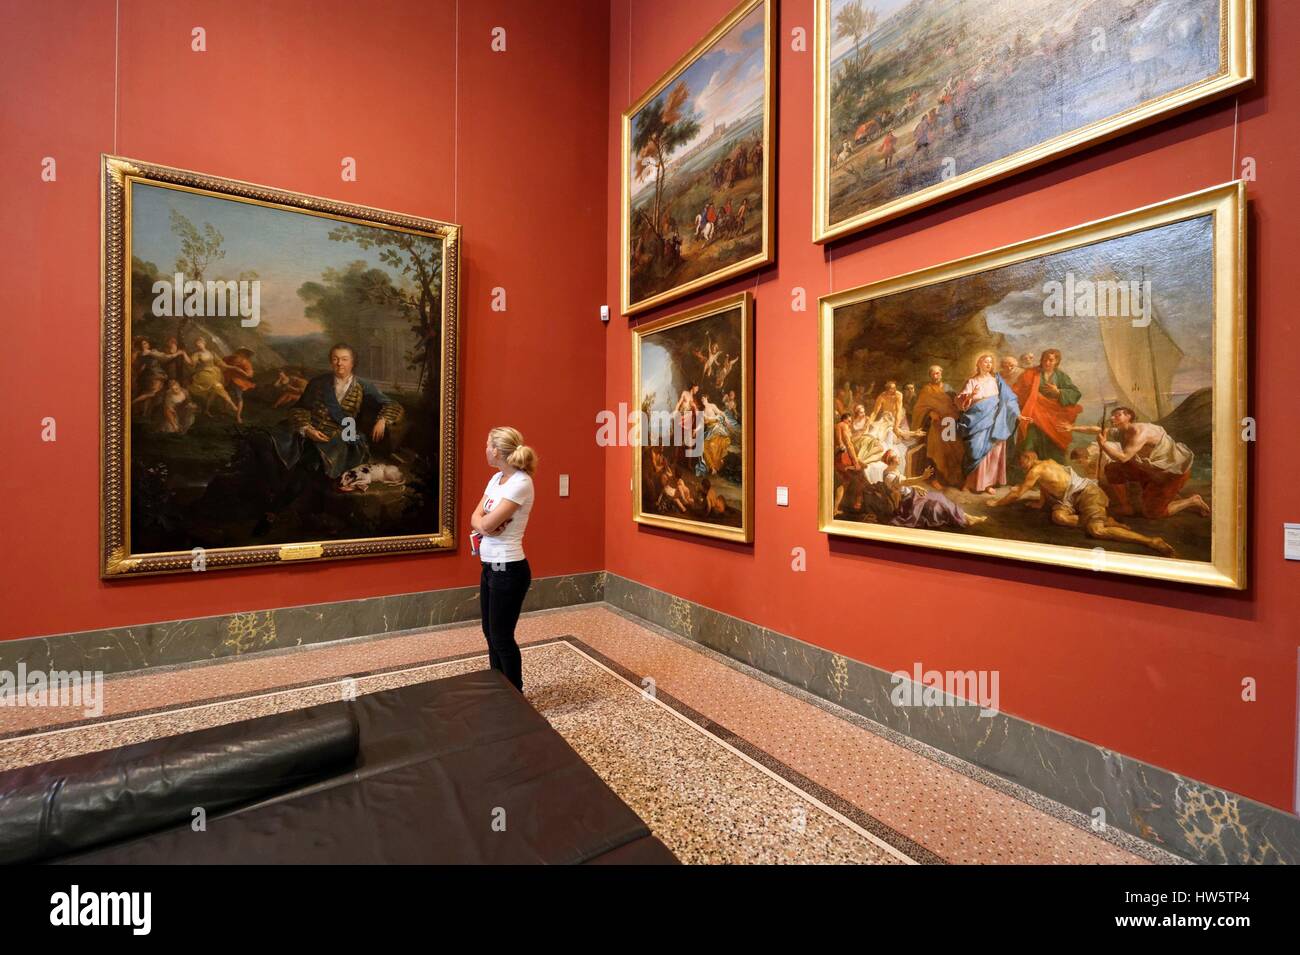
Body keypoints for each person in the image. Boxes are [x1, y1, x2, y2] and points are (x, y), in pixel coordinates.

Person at [993, 451, 1175, 556]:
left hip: (1087, 492)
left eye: (1022, 461)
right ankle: (1107, 520)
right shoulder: (1048, 462)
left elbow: (1017, 493)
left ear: (1030, 457)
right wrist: (1041, 503)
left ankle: (1151, 541)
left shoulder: (1036, 470)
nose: (1021, 465)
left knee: (1097, 530)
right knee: (1059, 517)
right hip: (1068, 499)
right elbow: (1045, 485)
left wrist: (998, 503)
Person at [470, 427, 537, 693]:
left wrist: (484, 524)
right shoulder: (496, 478)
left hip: (508, 569)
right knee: (489, 633)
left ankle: (515, 695)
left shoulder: (521, 482)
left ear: (497, 451)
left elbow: (486, 523)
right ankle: (500, 691)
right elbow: (477, 519)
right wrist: (483, 524)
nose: (485, 449)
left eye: (487, 445)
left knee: (502, 637)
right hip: (489, 566)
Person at [1061, 408, 1211, 519]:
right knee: (1111, 470)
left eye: (1118, 414)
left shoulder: (1140, 433)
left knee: (1153, 513)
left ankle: (1193, 500)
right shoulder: (1122, 431)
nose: (1113, 417)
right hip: (1150, 469)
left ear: (1129, 417)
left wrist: (1103, 444)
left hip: (1170, 473)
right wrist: (1073, 428)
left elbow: (1124, 457)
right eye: (1113, 414)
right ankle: (1125, 506)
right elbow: (1097, 430)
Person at [955, 354, 1021, 494]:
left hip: (995, 419)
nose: (988, 364)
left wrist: (1018, 414)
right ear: (979, 363)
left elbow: (1010, 399)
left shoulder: (997, 380)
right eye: (985, 362)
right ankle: (970, 483)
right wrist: (971, 396)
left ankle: (988, 484)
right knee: (974, 450)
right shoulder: (972, 381)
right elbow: (960, 402)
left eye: (991, 362)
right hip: (976, 418)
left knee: (993, 452)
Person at [1013, 348, 1083, 465]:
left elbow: (1075, 393)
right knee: (1029, 444)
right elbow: (1017, 390)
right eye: (1045, 359)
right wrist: (1032, 396)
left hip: (1054, 417)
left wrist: (1059, 392)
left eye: (1051, 360)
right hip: (1033, 416)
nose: (1047, 362)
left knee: (1054, 446)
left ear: (1056, 362)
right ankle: (1027, 475)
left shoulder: (1061, 376)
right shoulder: (1030, 373)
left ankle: (1055, 474)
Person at [911, 365, 964, 489]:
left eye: (938, 373)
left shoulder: (948, 388)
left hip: (949, 422)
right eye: (933, 374)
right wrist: (930, 413)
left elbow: (955, 404)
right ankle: (935, 479)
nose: (936, 376)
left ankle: (951, 478)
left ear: (941, 374)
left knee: (954, 447)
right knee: (936, 449)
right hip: (935, 425)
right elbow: (919, 408)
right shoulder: (927, 389)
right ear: (930, 375)